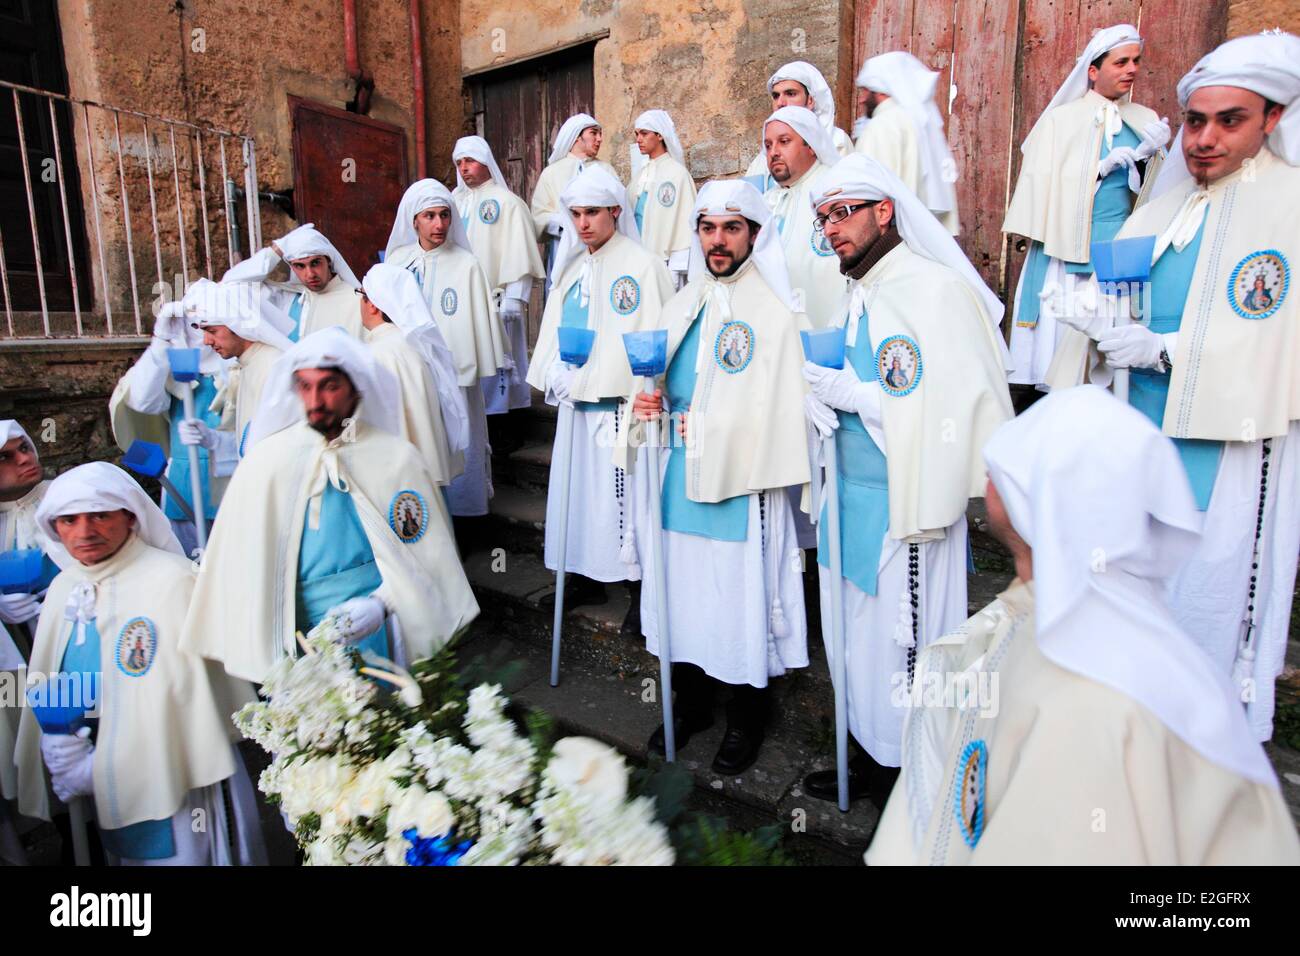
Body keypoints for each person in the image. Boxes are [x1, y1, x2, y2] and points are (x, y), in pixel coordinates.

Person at [866, 387, 1300, 865]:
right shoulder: (1045, 616)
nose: (988, 475)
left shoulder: (1089, 697)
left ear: (1041, 501)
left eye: (1006, 468)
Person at [1058, 30, 1300, 741]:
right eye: (1196, 120)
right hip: (1146, 437)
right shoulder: (1166, 208)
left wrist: (1163, 351)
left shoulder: (1288, 208)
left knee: (1208, 598)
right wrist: (1102, 322)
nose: (1204, 139)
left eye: (1231, 120)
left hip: (1231, 449)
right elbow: (1127, 300)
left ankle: (1206, 742)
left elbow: (1274, 335)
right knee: (1143, 595)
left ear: (1273, 120)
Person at [800, 154, 1012, 804]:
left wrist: (855, 394)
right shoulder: (859, 294)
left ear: (883, 212)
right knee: (856, 646)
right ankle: (868, 758)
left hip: (908, 510)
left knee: (906, 655)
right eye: (823, 218)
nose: (832, 229)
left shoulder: (933, 290)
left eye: (843, 213)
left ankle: (908, 778)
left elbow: (947, 408)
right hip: (851, 503)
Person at [617, 179, 811, 773]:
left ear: (755, 233)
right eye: (708, 228)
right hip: (680, 482)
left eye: (731, 228)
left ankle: (746, 717)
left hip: (741, 485)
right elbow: (654, 395)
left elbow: (781, 410)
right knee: (684, 595)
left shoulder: (776, 312)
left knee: (736, 600)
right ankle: (692, 702)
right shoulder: (682, 303)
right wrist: (644, 411)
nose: (718, 241)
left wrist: (714, 433)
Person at [182, 328, 478, 683]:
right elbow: (243, 561)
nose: (316, 400)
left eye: (329, 386)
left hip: (375, 626)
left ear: (355, 387)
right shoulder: (267, 462)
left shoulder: (395, 459)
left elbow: (427, 555)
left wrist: (382, 603)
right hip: (294, 629)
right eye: (305, 386)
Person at [14, 463, 264, 865]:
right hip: (95, 769)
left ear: (130, 516)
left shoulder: (173, 581)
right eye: (69, 520)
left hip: (178, 778)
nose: (84, 532)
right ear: (53, 528)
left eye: (100, 515)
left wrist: (103, 767)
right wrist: (58, 743)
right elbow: (53, 678)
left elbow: (186, 706)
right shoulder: (65, 589)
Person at [526, 168, 673, 628]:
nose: (583, 223)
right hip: (577, 410)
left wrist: (598, 379)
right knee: (580, 499)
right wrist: (554, 372)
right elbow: (552, 335)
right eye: (576, 214)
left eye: (593, 213)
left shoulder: (644, 265)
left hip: (623, 407)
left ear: (615, 211)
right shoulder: (570, 269)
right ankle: (585, 576)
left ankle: (637, 586)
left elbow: (655, 339)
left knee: (629, 500)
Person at [1003, 24, 1169, 389]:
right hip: (1067, 250)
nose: (1131, 69)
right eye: (1120, 62)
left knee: (1111, 353)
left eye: (1136, 61)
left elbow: (1161, 199)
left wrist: (1150, 160)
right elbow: (1043, 189)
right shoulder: (1061, 120)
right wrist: (1098, 171)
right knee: (1066, 339)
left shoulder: (1144, 120)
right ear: (1093, 71)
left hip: (1118, 245)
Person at [386, 179, 510, 522]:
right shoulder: (398, 262)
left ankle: (465, 515)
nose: (439, 224)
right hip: (411, 372)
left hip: (455, 373)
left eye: (444, 215)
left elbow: (479, 322)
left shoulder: (466, 264)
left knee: (460, 439)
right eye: (430, 216)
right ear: (415, 221)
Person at [108, 289, 229, 556]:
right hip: (185, 478)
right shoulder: (173, 364)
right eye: (193, 325)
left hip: (234, 476)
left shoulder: (239, 363)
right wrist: (162, 341)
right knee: (189, 560)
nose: (201, 334)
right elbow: (143, 401)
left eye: (207, 326)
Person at [452, 136, 546, 428]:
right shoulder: (452, 202)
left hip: (497, 301)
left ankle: (504, 427)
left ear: (486, 162)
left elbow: (518, 250)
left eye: (470, 160)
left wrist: (515, 297)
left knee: (498, 366)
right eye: (459, 163)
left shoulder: (508, 203)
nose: (464, 168)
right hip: (460, 302)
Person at [0, 420, 57, 864]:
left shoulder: (66, 502)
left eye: (25, 448)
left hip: (71, 658)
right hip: (15, 672)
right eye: (7, 457)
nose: (25, 460)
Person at [358, 261, 469, 488]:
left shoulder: (379, 354)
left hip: (398, 478)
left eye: (361, 294)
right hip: (424, 469)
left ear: (372, 305)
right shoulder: (415, 346)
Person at [182, 278, 295, 465]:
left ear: (237, 325)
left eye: (212, 331)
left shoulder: (273, 365)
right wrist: (214, 439)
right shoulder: (249, 362)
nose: (206, 341)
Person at [760, 106, 849, 331]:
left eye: (784, 141)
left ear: (810, 145)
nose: (774, 152)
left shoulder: (835, 191)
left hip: (826, 328)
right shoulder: (767, 201)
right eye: (768, 145)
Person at [854, 51, 961, 235]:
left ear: (880, 89)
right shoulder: (922, 124)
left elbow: (868, 189)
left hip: (894, 236)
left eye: (865, 90)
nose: (862, 99)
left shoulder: (882, 126)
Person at [222, 223, 363, 341]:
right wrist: (278, 249)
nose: (310, 274)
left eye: (315, 263)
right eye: (300, 266)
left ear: (329, 261)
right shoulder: (290, 299)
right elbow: (229, 285)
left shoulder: (356, 301)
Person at [530, 113, 621, 283]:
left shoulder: (606, 170)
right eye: (594, 133)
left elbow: (620, 210)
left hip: (604, 251)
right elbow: (538, 217)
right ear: (576, 137)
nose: (600, 139)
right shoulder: (552, 173)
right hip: (564, 252)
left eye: (600, 134)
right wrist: (563, 221)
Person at [743, 61, 854, 189]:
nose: (781, 103)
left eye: (791, 94)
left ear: (811, 100)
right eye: (776, 96)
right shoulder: (762, 160)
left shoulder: (837, 142)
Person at [628, 110, 697, 287]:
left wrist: (676, 267)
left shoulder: (677, 174)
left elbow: (684, 224)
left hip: (665, 265)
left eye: (644, 133)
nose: (638, 140)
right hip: (637, 260)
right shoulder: (639, 177)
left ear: (659, 135)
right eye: (637, 134)